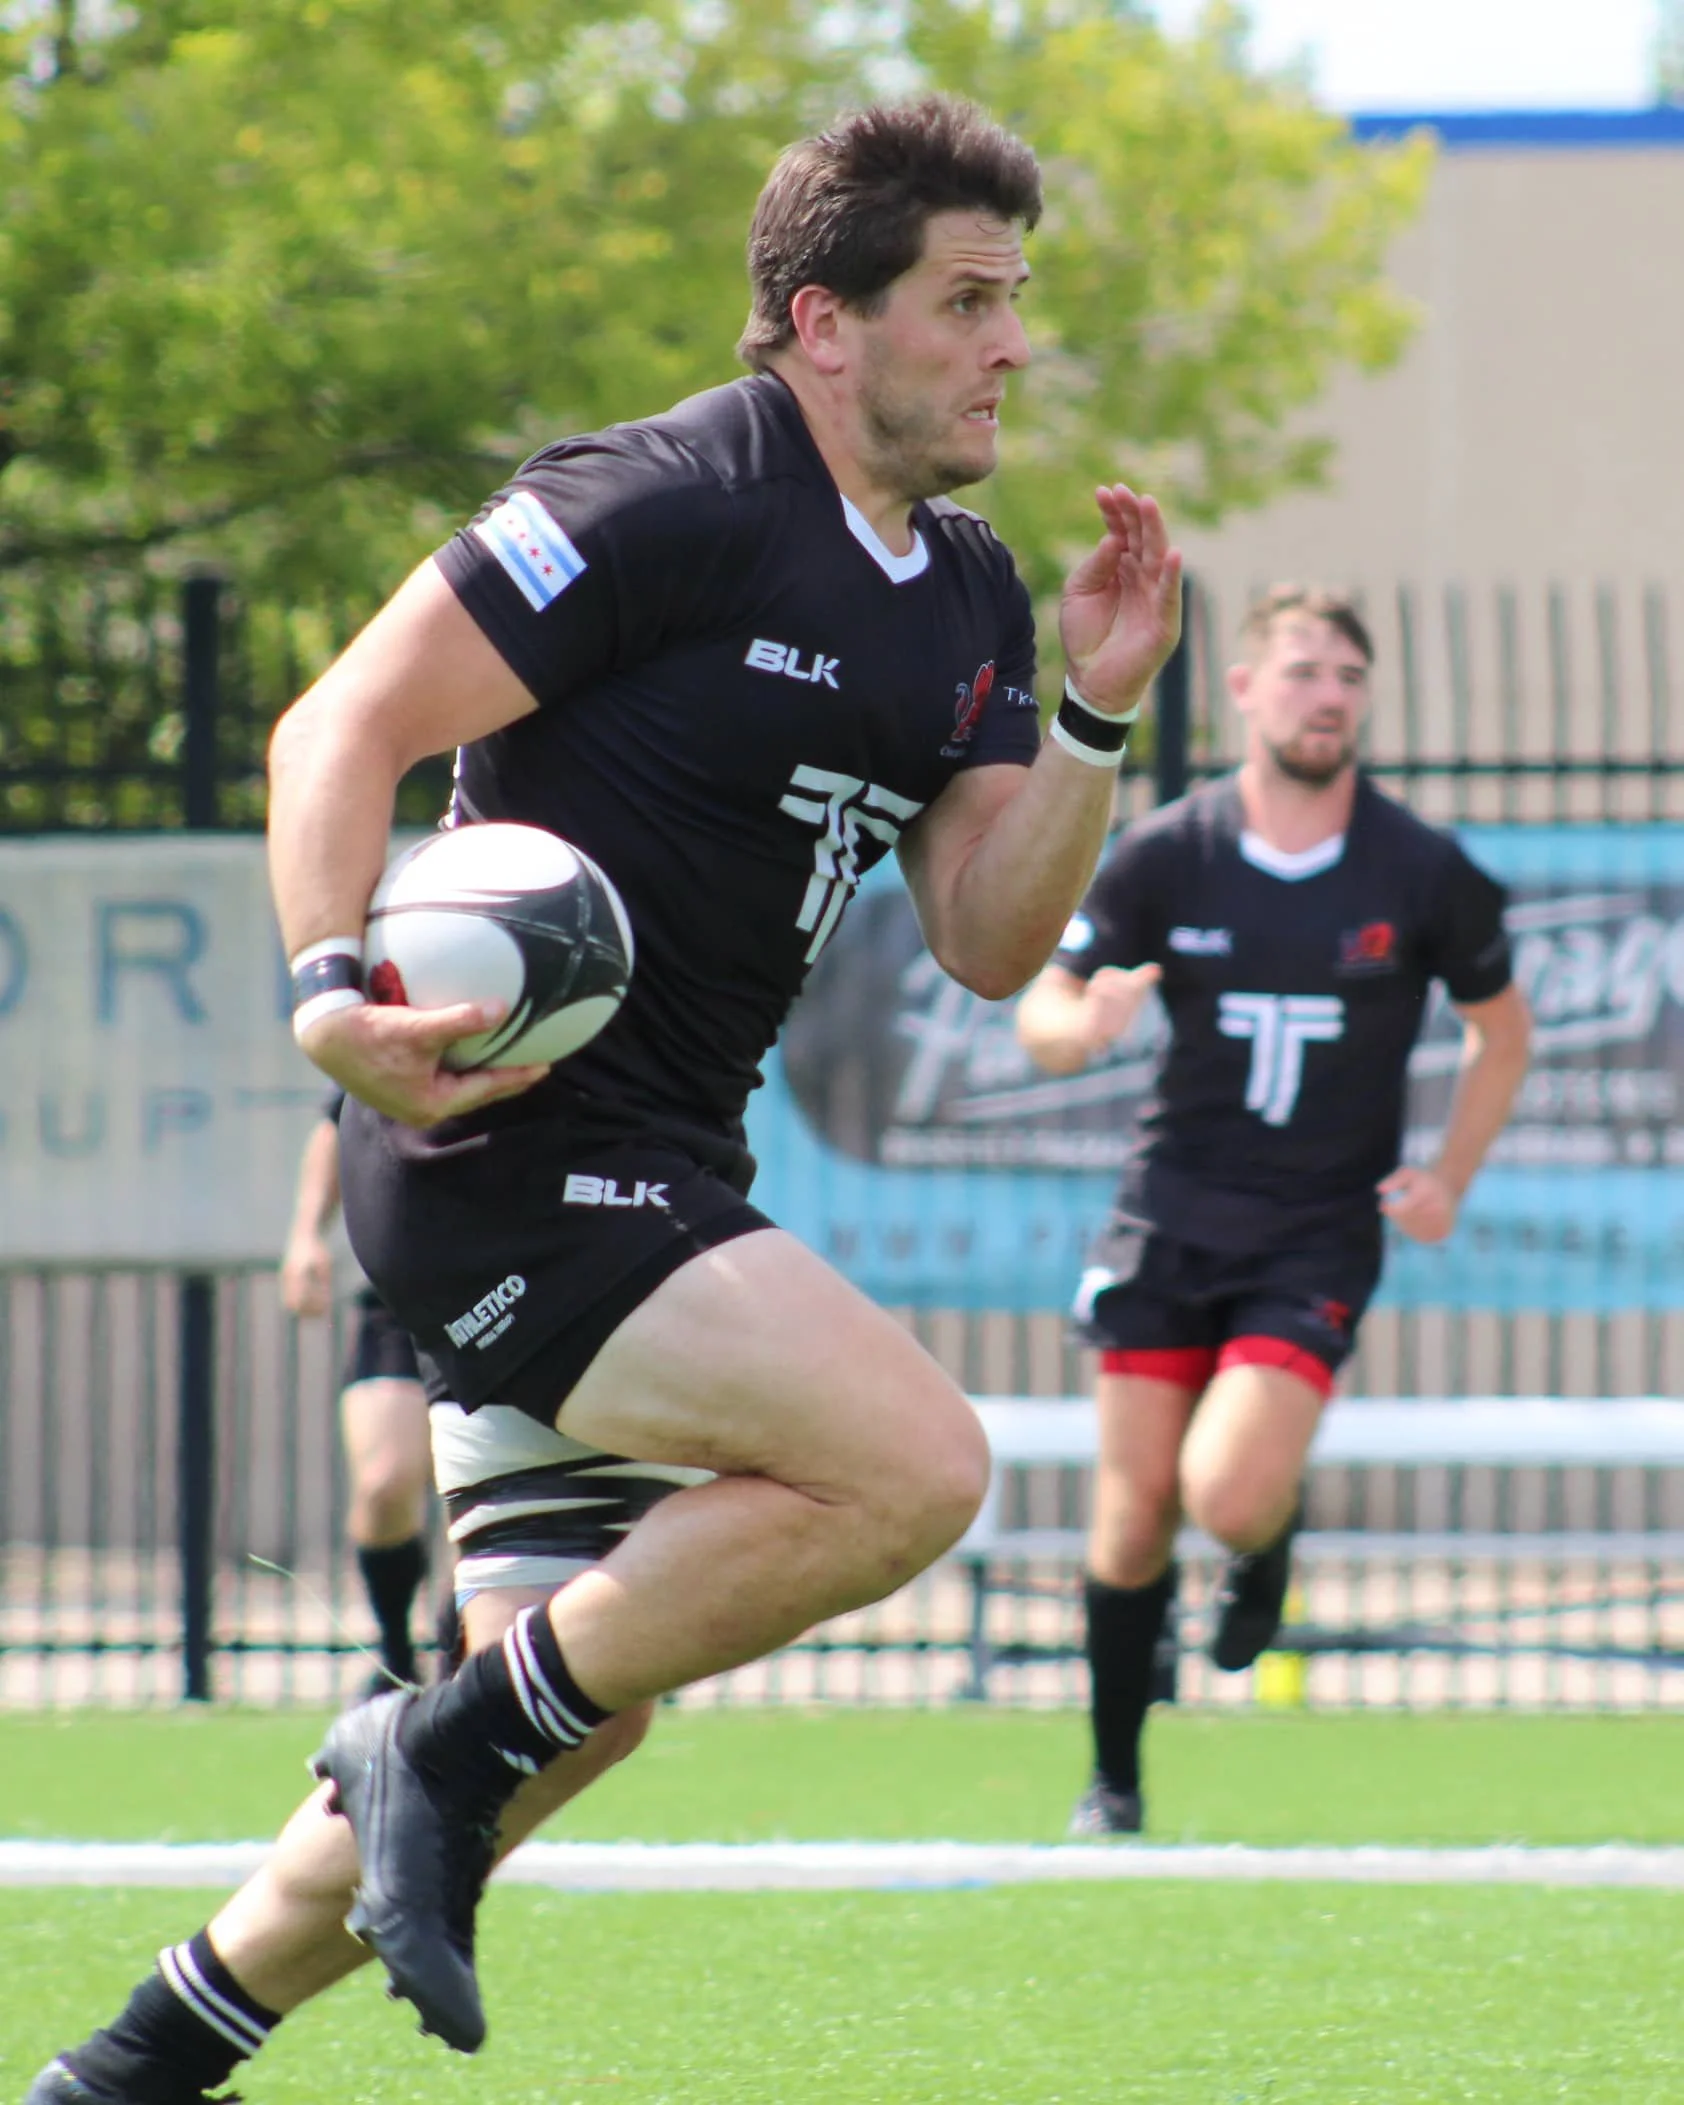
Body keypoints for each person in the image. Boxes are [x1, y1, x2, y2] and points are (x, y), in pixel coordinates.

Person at [28, 92, 1184, 2096]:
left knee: (572, 1705)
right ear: (822, 320)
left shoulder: (965, 593)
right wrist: (323, 986)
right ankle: (427, 1737)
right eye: (968, 300)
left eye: (1019, 301)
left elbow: (997, 940)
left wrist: (1089, 712)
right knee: (914, 1462)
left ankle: (115, 2073)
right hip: (498, 1147)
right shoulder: (669, 493)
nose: (1011, 342)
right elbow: (342, 725)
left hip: (650, 1167)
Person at [1015, 584, 1532, 1839]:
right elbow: (1044, 999)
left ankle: (1263, 1541)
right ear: (1245, 690)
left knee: (1227, 1490)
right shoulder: (1166, 852)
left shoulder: (1419, 868)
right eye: (1302, 670)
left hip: (1313, 1229)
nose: (1327, 695)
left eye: (1348, 676)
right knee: (1133, 1515)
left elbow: (1500, 1035)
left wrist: (1447, 1178)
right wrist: (1075, 1026)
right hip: (1167, 1214)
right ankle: (1113, 1781)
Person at [281, 1094, 446, 1697]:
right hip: (400, 1303)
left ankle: (468, 1667)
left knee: (476, 1503)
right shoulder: (404, 1025)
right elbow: (337, 1123)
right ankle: (396, 1659)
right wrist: (305, 1235)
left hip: (510, 1290)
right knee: (383, 1480)